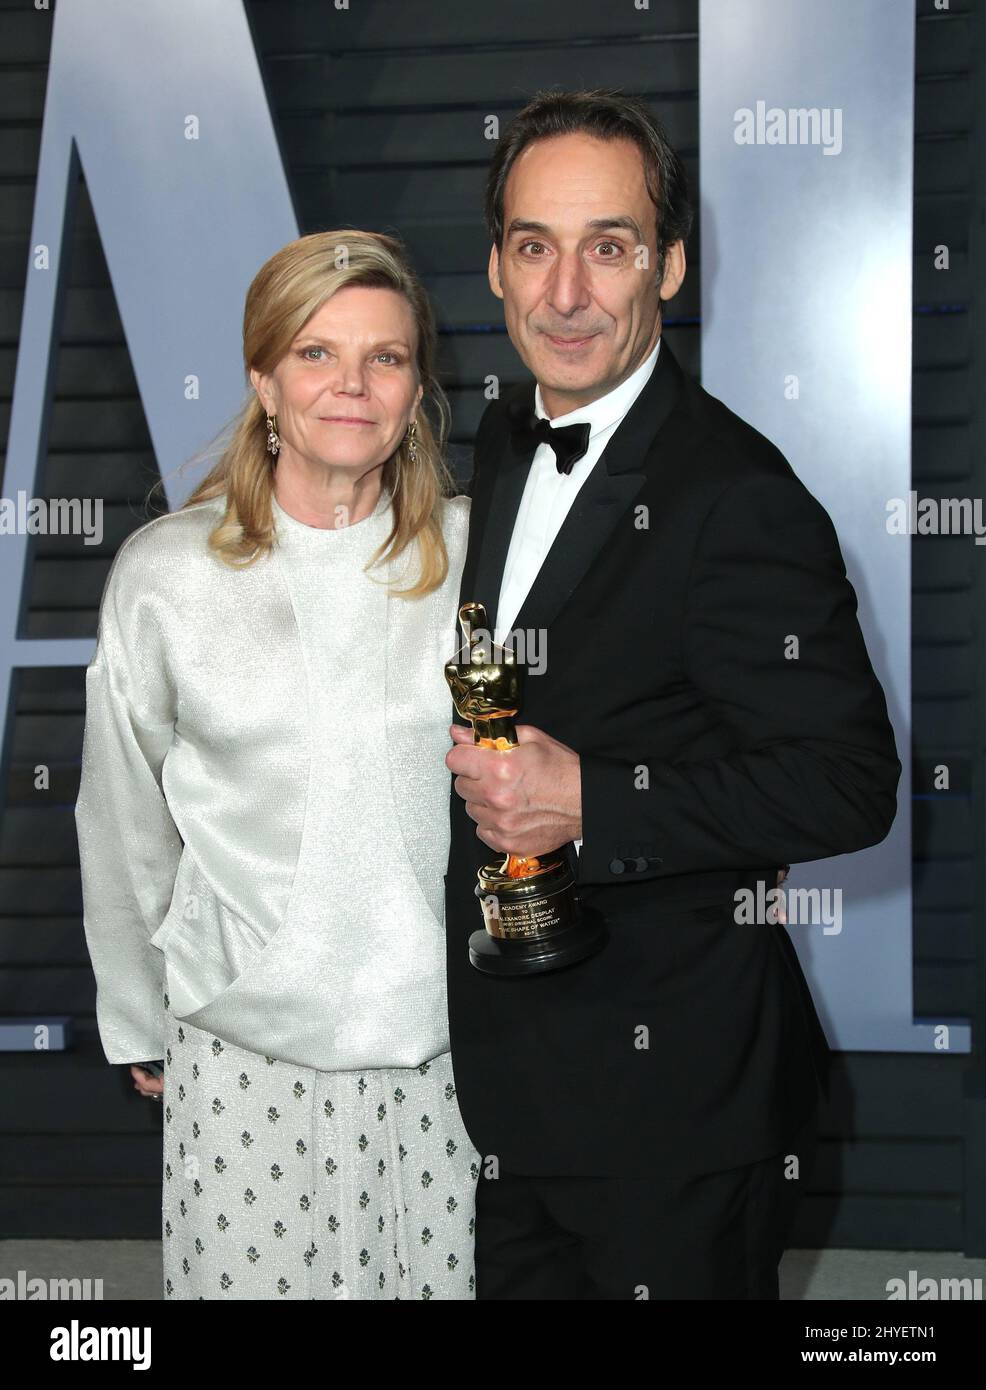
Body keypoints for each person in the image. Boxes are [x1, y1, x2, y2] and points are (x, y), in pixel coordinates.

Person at [444, 89, 901, 1299]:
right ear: (493, 265)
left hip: (675, 1115)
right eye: (533, 246)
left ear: (670, 265)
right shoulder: (489, 448)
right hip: (507, 1087)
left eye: (608, 246)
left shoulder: (736, 493)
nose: (564, 293)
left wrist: (590, 799)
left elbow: (849, 786)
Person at [75, 229, 480, 1300]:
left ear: (414, 389)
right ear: (263, 378)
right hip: (239, 1040)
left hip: (440, 1046)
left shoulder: (473, 558)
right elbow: (119, 813)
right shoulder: (166, 574)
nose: (351, 383)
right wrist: (134, 1007)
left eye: (384, 358)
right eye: (315, 353)